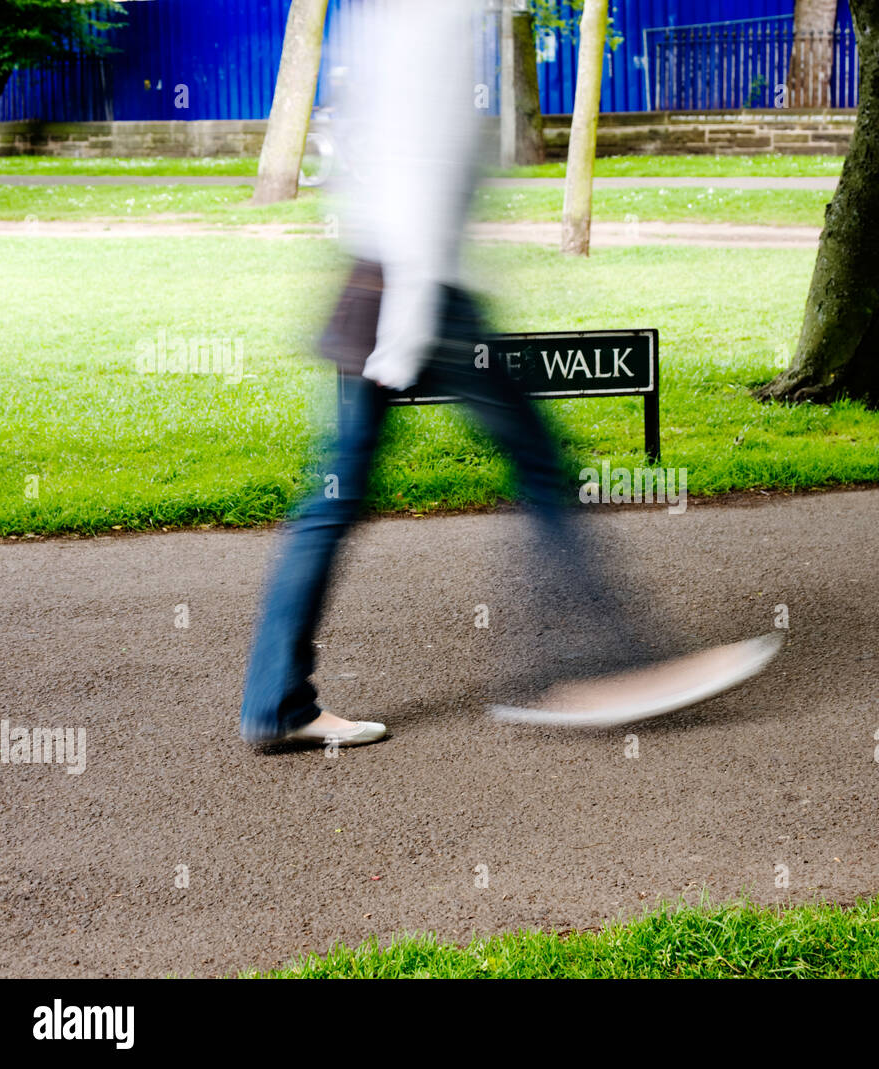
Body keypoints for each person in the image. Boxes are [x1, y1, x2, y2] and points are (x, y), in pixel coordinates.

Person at [239, 0, 780, 748]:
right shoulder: (436, 18)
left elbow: (363, 148)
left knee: (337, 493)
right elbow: (419, 168)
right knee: (539, 466)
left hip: (385, 279)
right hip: (419, 291)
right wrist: (414, 313)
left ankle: (277, 700)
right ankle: (586, 667)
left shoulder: (395, 16)